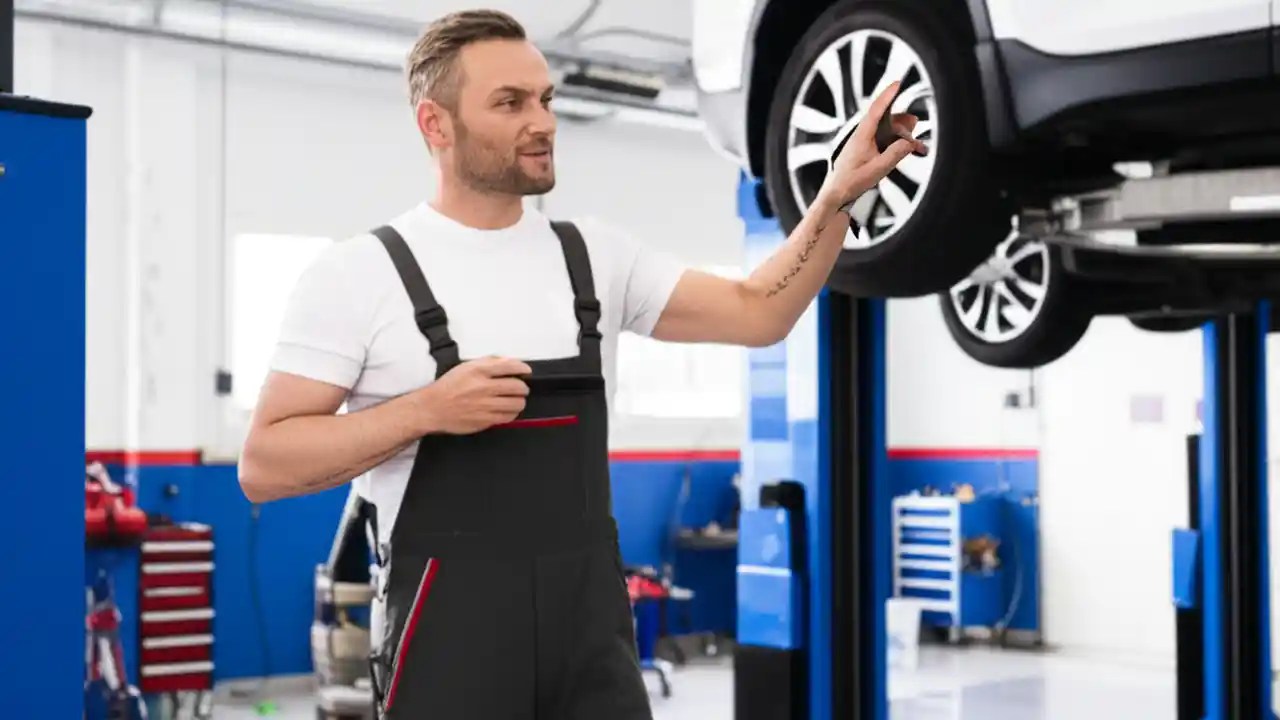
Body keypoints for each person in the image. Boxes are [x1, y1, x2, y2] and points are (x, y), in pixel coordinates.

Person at [238, 8, 925, 720]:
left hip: (589, 638)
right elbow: (264, 463)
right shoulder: (361, 274)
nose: (542, 121)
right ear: (434, 125)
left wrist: (837, 197)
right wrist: (425, 412)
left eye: (545, 99)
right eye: (510, 103)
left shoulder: (593, 258)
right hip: (451, 642)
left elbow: (759, 310)